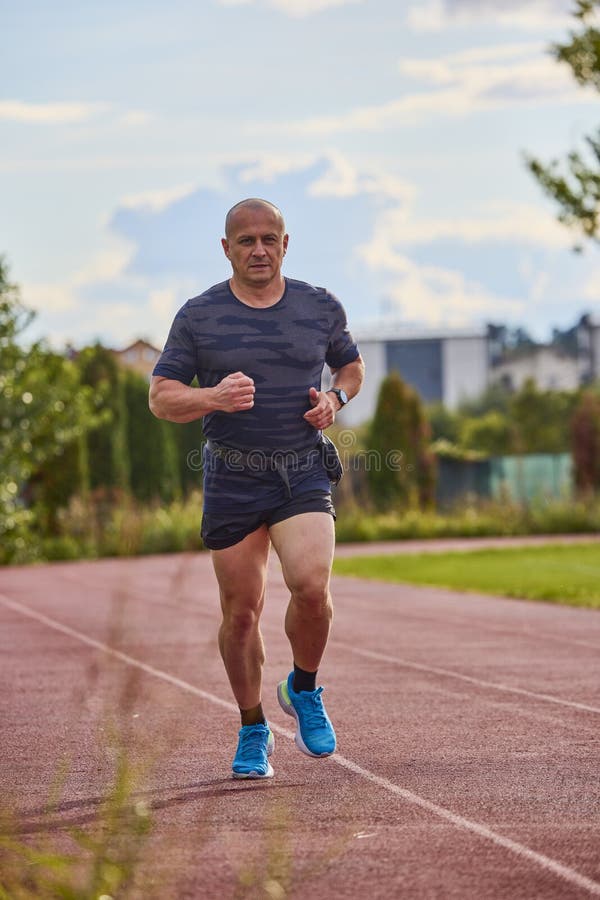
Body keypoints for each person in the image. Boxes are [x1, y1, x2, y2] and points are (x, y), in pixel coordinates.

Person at [149, 198, 364, 779]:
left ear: (286, 244)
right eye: (246, 241)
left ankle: (304, 688)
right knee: (242, 613)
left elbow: (351, 367)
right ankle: (252, 727)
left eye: (270, 238)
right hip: (232, 475)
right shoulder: (199, 316)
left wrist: (334, 400)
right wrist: (211, 397)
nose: (259, 250)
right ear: (227, 249)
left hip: (301, 468)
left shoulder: (319, 307)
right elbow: (161, 395)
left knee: (311, 586)